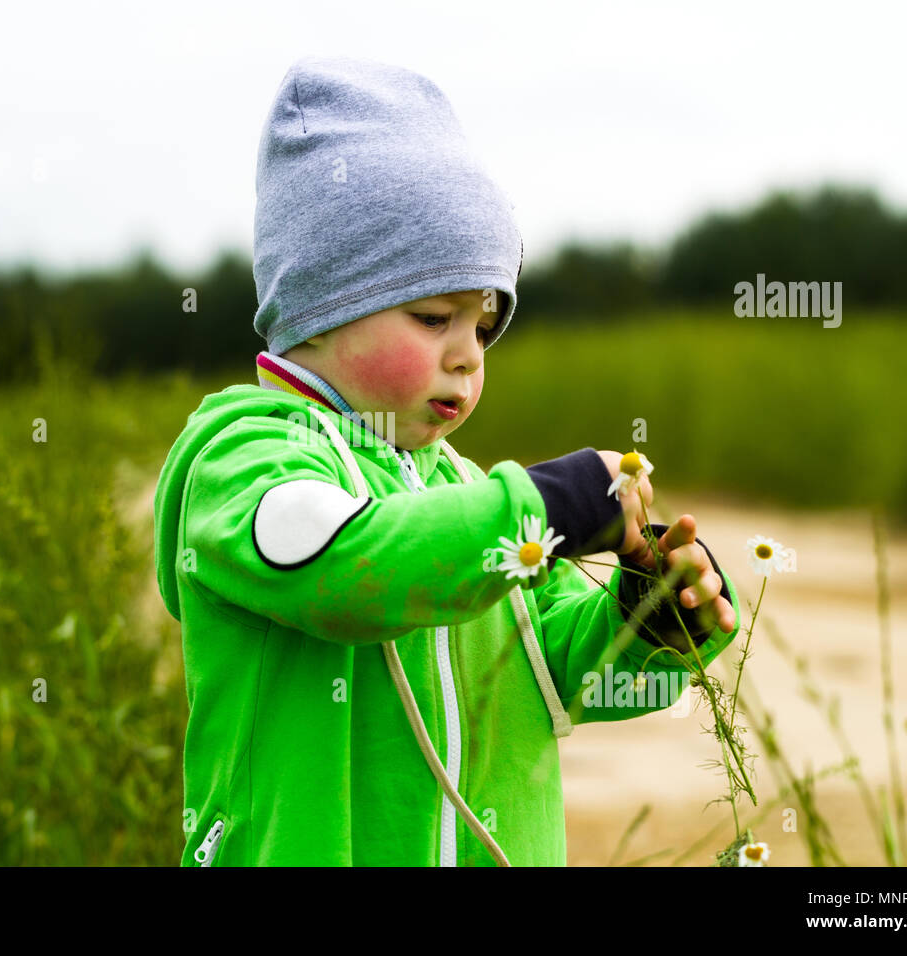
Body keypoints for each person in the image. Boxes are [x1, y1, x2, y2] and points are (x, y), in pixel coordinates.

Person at [153, 55, 740, 866]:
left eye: (484, 324)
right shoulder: (246, 461)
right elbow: (353, 568)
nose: (468, 356)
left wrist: (645, 622)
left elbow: (555, 667)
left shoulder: (461, 491)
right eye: (434, 316)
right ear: (323, 308)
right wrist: (546, 503)